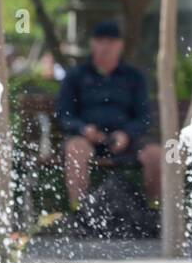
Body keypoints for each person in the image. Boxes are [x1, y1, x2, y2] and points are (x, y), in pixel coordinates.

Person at [57, 21, 161, 208]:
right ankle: (79, 211)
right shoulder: (75, 76)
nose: (105, 46)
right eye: (100, 41)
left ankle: (155, 211)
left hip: (127, 140)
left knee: (156, 154)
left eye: (110, 41)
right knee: (75, 150)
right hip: (86, 139)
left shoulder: (134, 77)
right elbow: (64, 115)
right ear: (92, 44)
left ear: (120, 45)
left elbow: (144, 117)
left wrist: (127, 134)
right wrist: (83, 128)